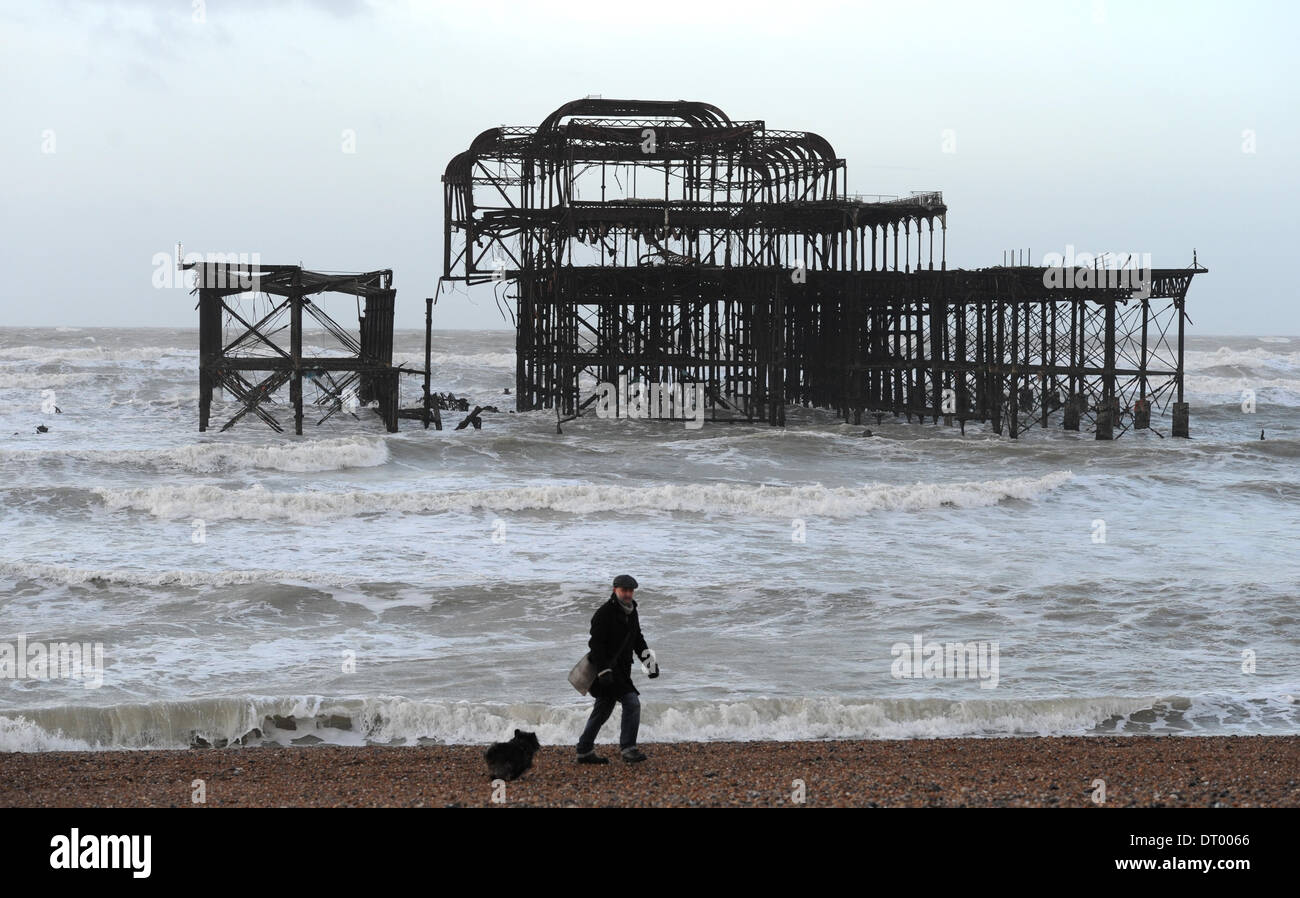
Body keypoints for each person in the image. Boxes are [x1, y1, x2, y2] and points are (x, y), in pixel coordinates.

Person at [576, 574, 659, 764]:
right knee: (632, 703)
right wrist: (604, 671)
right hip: (606, 672)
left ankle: (584, 750)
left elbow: (638, 639)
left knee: (602, 710)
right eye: (624, 590)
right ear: (615, 590)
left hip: (621, 670)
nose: (628, 594)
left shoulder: (632, 611)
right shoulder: (604, 613)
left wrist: (649, 663)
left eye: (630, 591)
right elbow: (596, 645)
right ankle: (628, 749)